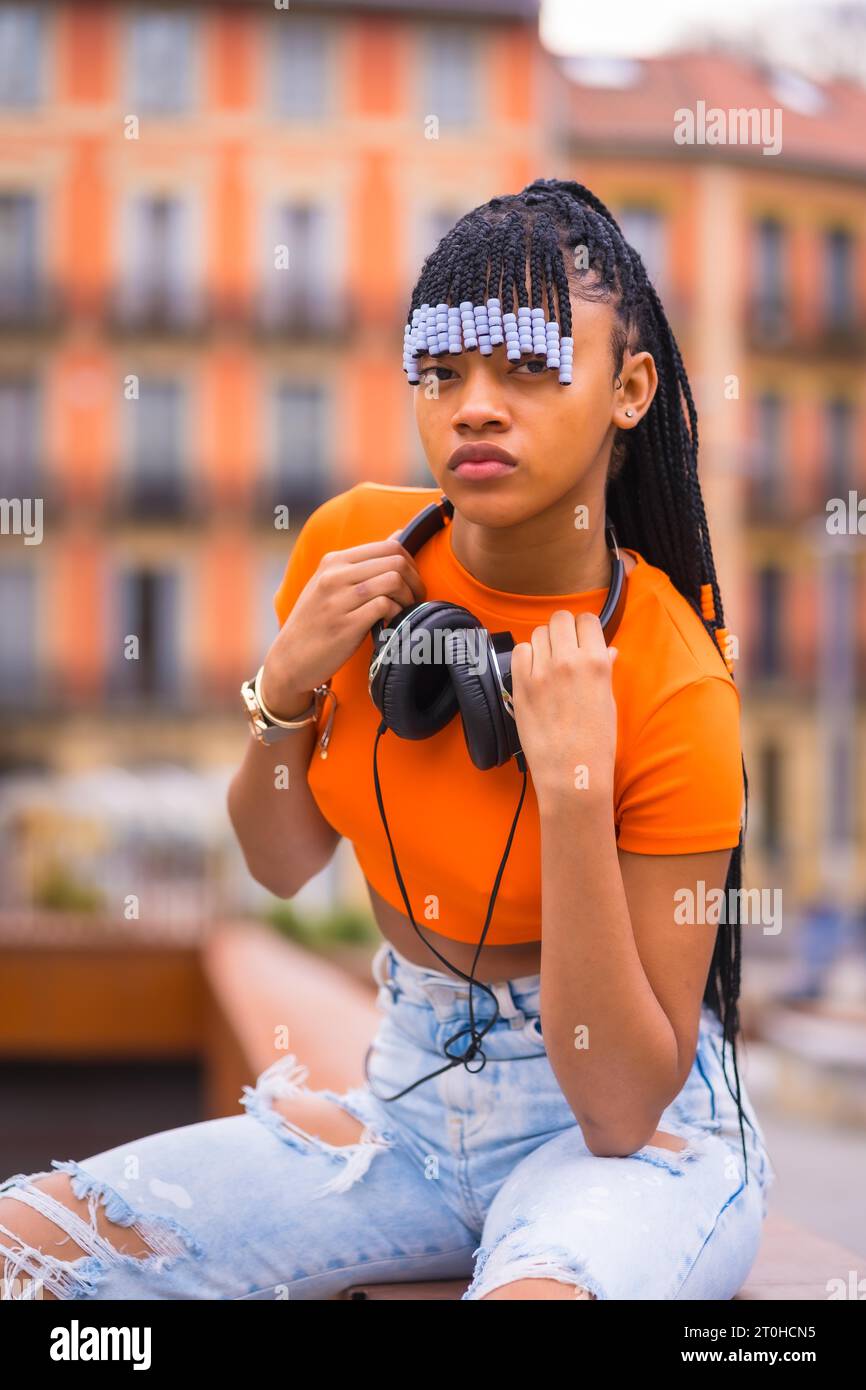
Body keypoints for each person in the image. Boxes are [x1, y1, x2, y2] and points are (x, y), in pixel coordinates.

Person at [0, 177, 775, 1302]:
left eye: (525, 367)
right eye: (442, 371)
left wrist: (570, 786)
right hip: (406, 1095)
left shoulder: (674, 684)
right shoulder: (354, 548)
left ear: (629, 388)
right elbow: (277, 860)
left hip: (623, 1143)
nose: (473, 407)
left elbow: (619, 1106)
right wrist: (288, 682)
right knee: (29, 1247)